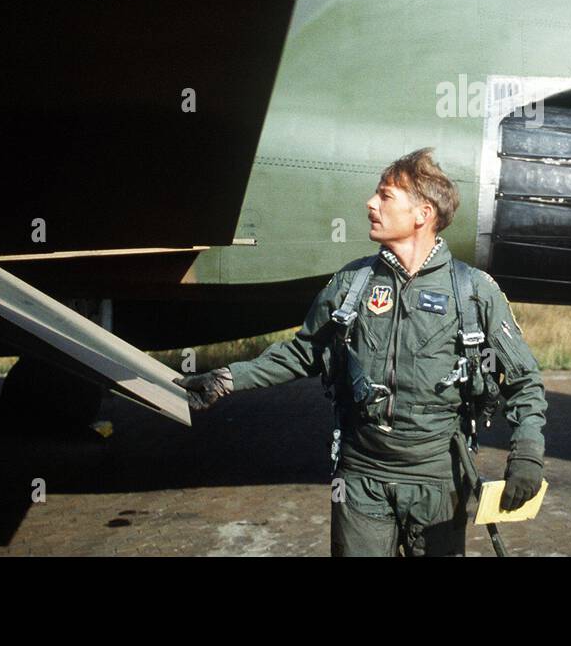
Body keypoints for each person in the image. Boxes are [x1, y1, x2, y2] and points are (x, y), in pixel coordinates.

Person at [175, 147, 547, 556]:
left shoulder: (474, 292)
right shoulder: (352, 283)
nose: (371, 203)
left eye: (386, 196)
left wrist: (527, 455)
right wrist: (226, 379)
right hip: (360, 477)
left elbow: (524, 381)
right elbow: (304, 352)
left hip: (438, 481)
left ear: (423, 214)